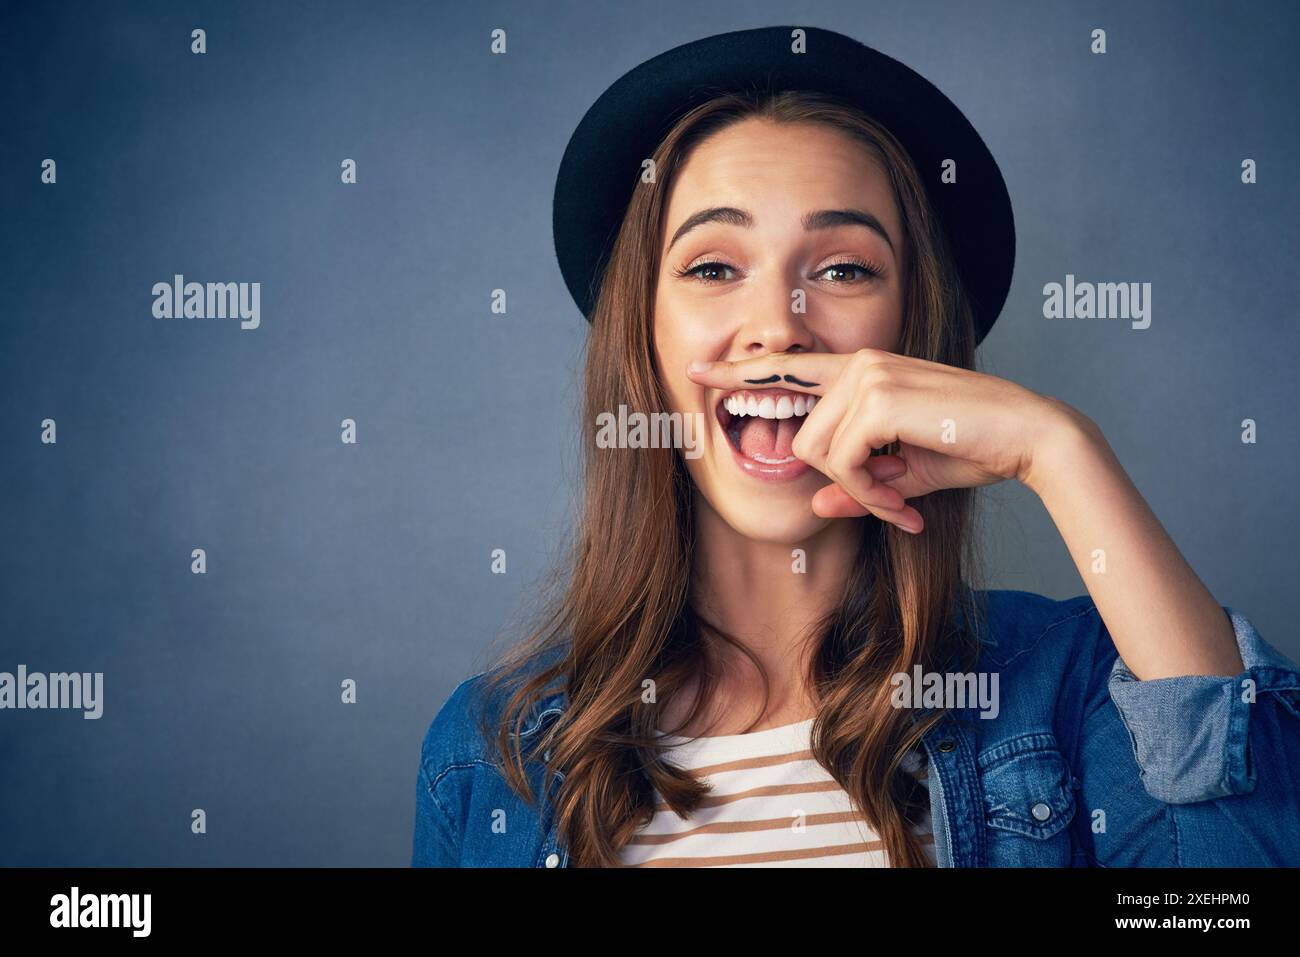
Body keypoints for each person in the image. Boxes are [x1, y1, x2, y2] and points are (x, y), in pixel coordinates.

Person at [412, 26, 1300, 868]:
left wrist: (1058, 449)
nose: (776, 325)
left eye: (843, 269)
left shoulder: (1077, 686)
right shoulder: (488, 754)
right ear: (640, 342)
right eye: (713, 267)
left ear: (914, 333)